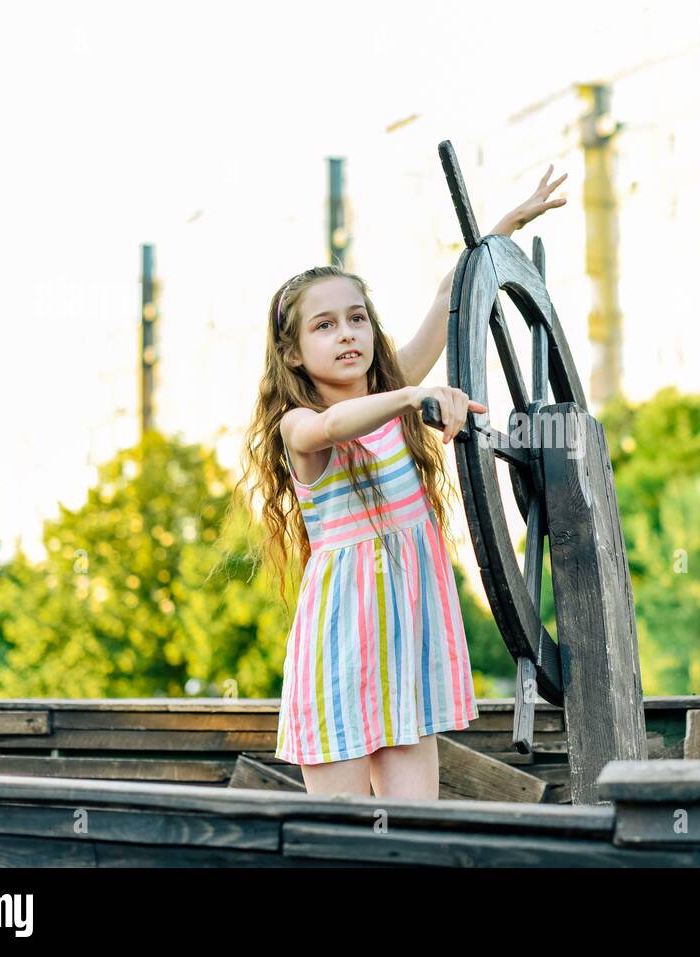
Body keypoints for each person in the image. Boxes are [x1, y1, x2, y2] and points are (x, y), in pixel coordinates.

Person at [238, 165, 568, 800]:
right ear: (292, 353)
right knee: (337, 831)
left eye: (357, 318)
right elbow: (333, 423)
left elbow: (449, 304)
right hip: (341, 639)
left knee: (414, 825)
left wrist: (500, 230)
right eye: (324, 325)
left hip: (407, 633)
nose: (347, 334)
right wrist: (413, 394)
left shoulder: (393, 393)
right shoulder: (301, 426)